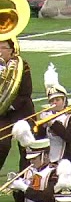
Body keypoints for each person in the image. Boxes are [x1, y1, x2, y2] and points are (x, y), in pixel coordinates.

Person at [0, 37, 34, 171]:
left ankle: (26, 179)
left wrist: (8, 104)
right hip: (2, 114)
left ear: (11, 51)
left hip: (21, 111)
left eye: (3, 48)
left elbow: (26, 92)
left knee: (27, 145)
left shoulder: (22, 65)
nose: (0, 51)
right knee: (2, 143)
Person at [39, 64, 71, 176]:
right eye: (52, 101)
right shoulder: (45, 115)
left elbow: (68, 136)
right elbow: (39, 139)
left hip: (66, 160)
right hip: (48, 161)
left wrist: (52, 123)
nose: (54, 103)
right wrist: (41, 127)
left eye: (58, 99)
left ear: (64, 100)